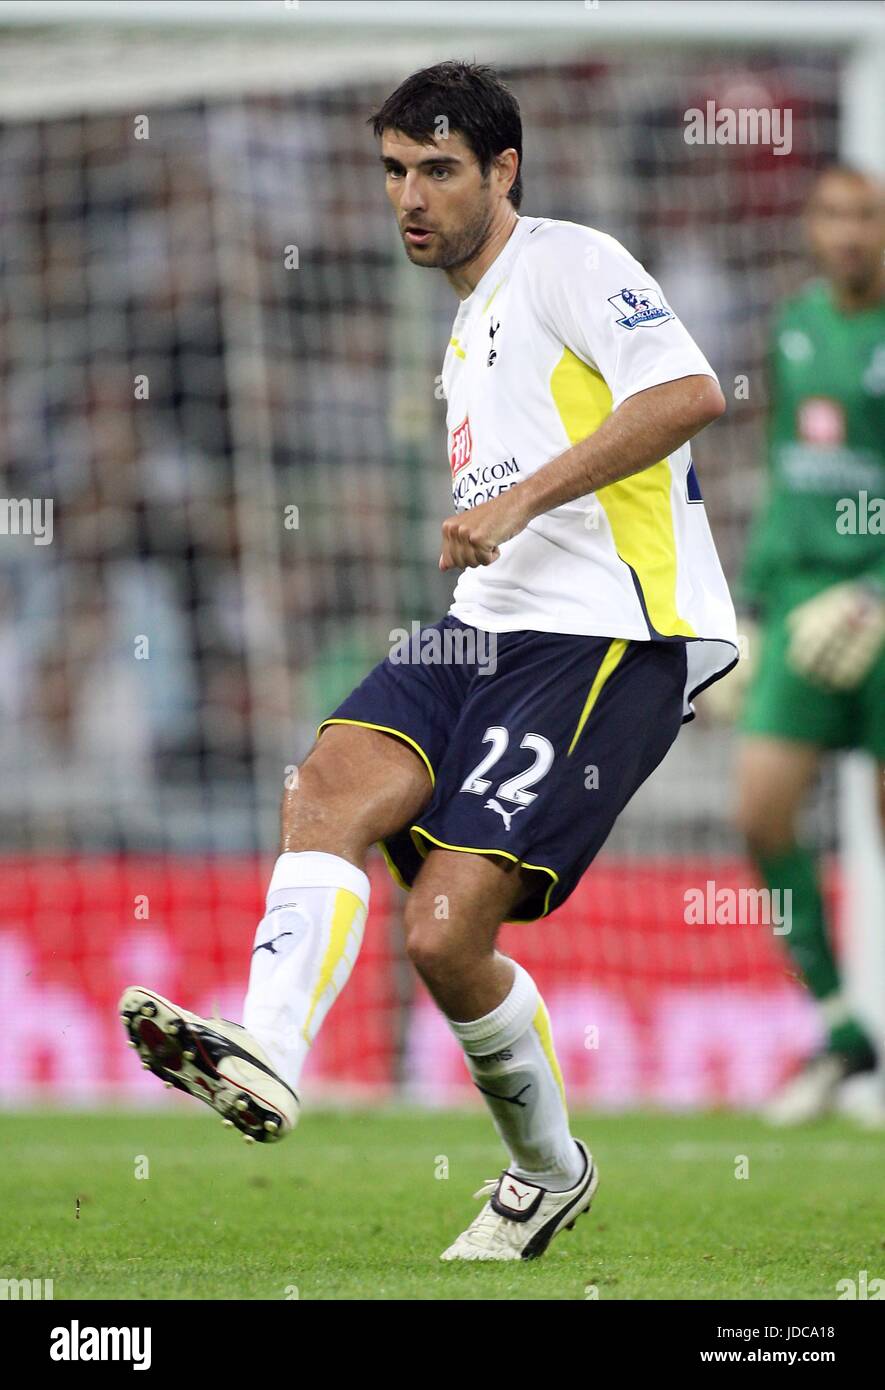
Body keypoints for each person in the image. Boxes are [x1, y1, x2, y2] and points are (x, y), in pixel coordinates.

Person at [121, 61, 737, 1262]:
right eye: (396, 171)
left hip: (608, 632)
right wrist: (500, 527)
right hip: (483, 621)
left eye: (440, 170)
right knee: (323, 786)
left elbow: (691, 394)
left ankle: (546, 1172)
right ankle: (268, 1057)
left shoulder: (569, 258)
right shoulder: (464, 326)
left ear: (503, 170)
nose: (412, 196)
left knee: (446, 933)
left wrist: (520, 501)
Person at [709, 166, 885, 1124]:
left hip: (880, 603)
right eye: (831, 215)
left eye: (864, 215)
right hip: (804, 601)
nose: (847, 232)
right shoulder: (794, 325)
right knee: (760, 812)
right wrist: (755, 606)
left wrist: (874, 593)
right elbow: (788, 469)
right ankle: (839, 1028)